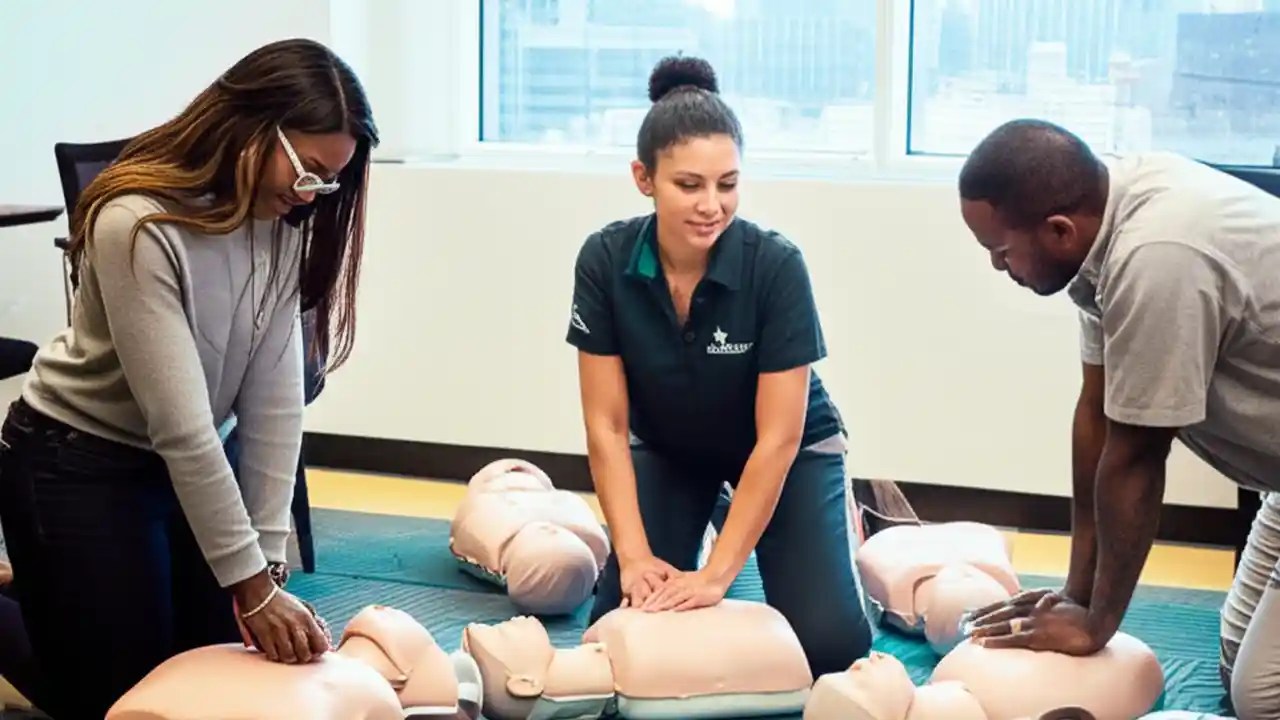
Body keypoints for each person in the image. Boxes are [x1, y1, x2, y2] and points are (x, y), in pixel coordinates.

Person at [0, 37, 378, 719]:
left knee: (214, 675)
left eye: (328, 182)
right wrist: (251, 589)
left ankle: (50, 583)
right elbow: (180, 425)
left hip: (198, 456)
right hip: (77, 459)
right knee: (116, 698)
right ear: (253, 130)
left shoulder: (283, 219)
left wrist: (264, 569)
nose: (311, 195)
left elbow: (273, 403)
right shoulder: (135, 222)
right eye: (309, 171)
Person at [956, 118, 1280, 719]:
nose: (999, 268)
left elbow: (1136, 459)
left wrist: (1097, 623)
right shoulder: (1101, 225)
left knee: (1261, 700)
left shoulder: (1156, 257)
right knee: (1237, 660)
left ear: (1057, 230)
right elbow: (1099, 420)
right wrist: (1074, 594)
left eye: (1001, 252)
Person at [564, 54, 871, 678]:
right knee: (622, 618)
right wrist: (636, 554)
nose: (711, 205)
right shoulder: (604, 259)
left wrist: (717, 577)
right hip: (674, 449)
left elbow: (780, 436)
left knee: (829, 648)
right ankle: (702, 519)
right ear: (643, 178)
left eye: (728, 184)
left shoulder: (776, 265)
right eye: (689, 185)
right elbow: (606, 425)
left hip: (788, 449)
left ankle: (836, 535)